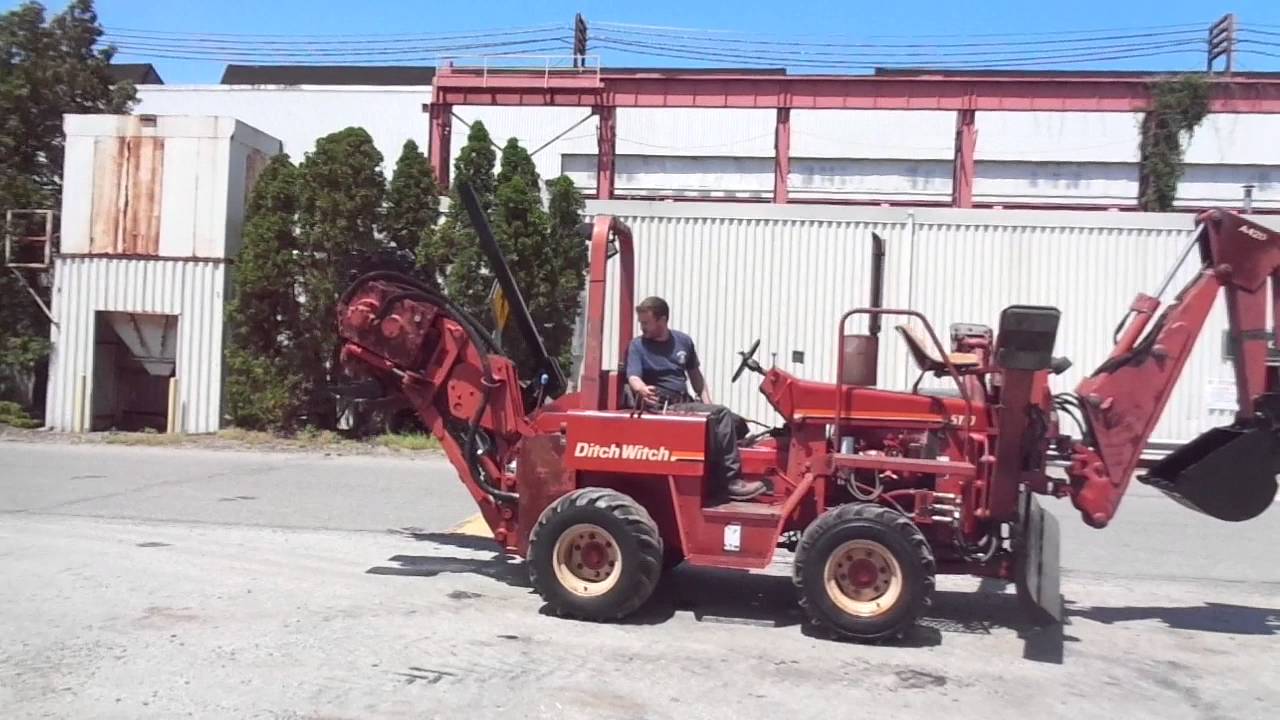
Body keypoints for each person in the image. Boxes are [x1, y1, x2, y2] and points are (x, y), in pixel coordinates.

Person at [625, 296, 767, 501]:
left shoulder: (683, 341)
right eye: (641, 322)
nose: (642, 327)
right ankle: (731, 482)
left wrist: (708, 403)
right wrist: (642, 389)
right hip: (664, 406)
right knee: (721, 415)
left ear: (662, 320)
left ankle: (714, 479)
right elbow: (633, 376)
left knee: (735, 423)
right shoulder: (638, 346)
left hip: (685, 402)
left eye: (646, 323)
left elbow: (696, 377)